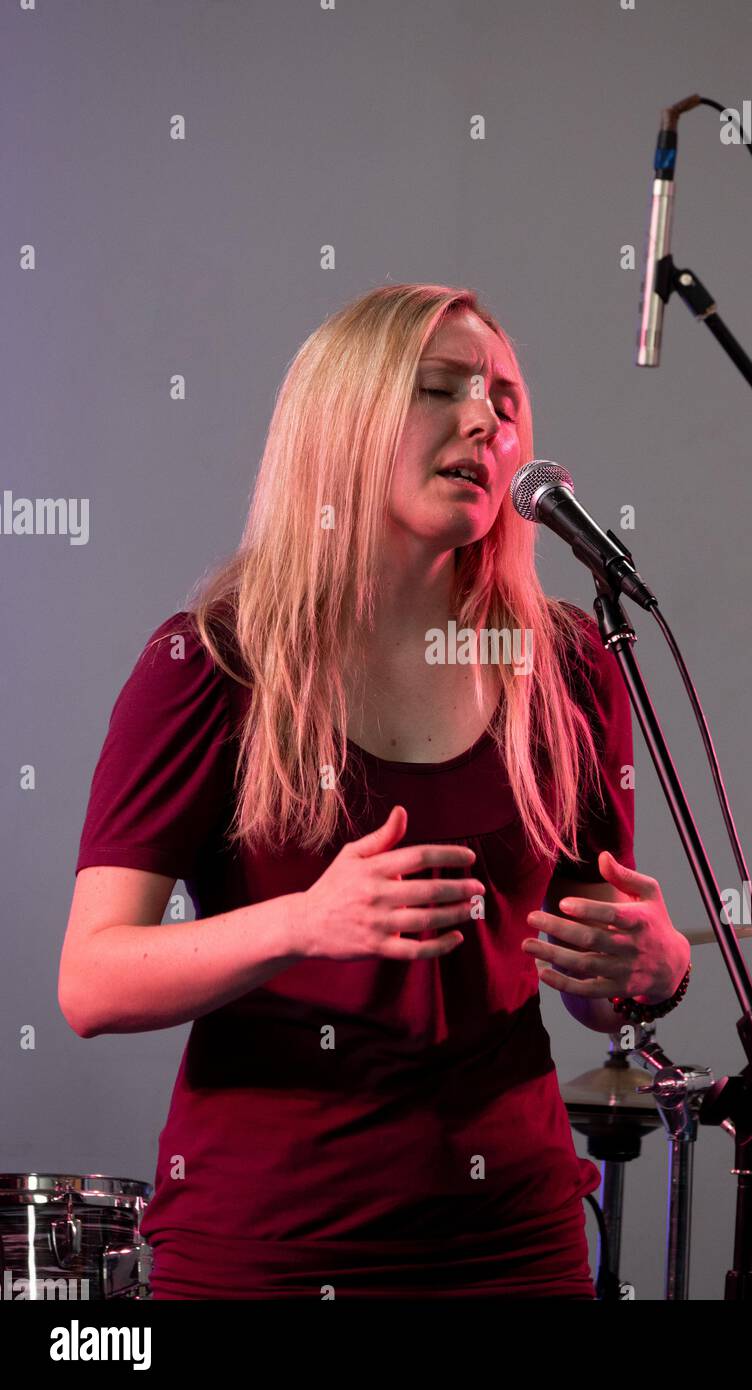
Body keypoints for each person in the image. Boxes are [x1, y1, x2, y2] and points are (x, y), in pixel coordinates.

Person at [60, 283, 692, 1299]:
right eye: (438, 390)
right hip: (273, 1245)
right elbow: (92, 979)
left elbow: (588, 978)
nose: (484, 420)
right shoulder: (212, 663)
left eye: (503, 398)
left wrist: (652, 968)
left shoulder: (569, 662)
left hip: (513, 1244)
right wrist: (304, 922)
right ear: (342, 424)